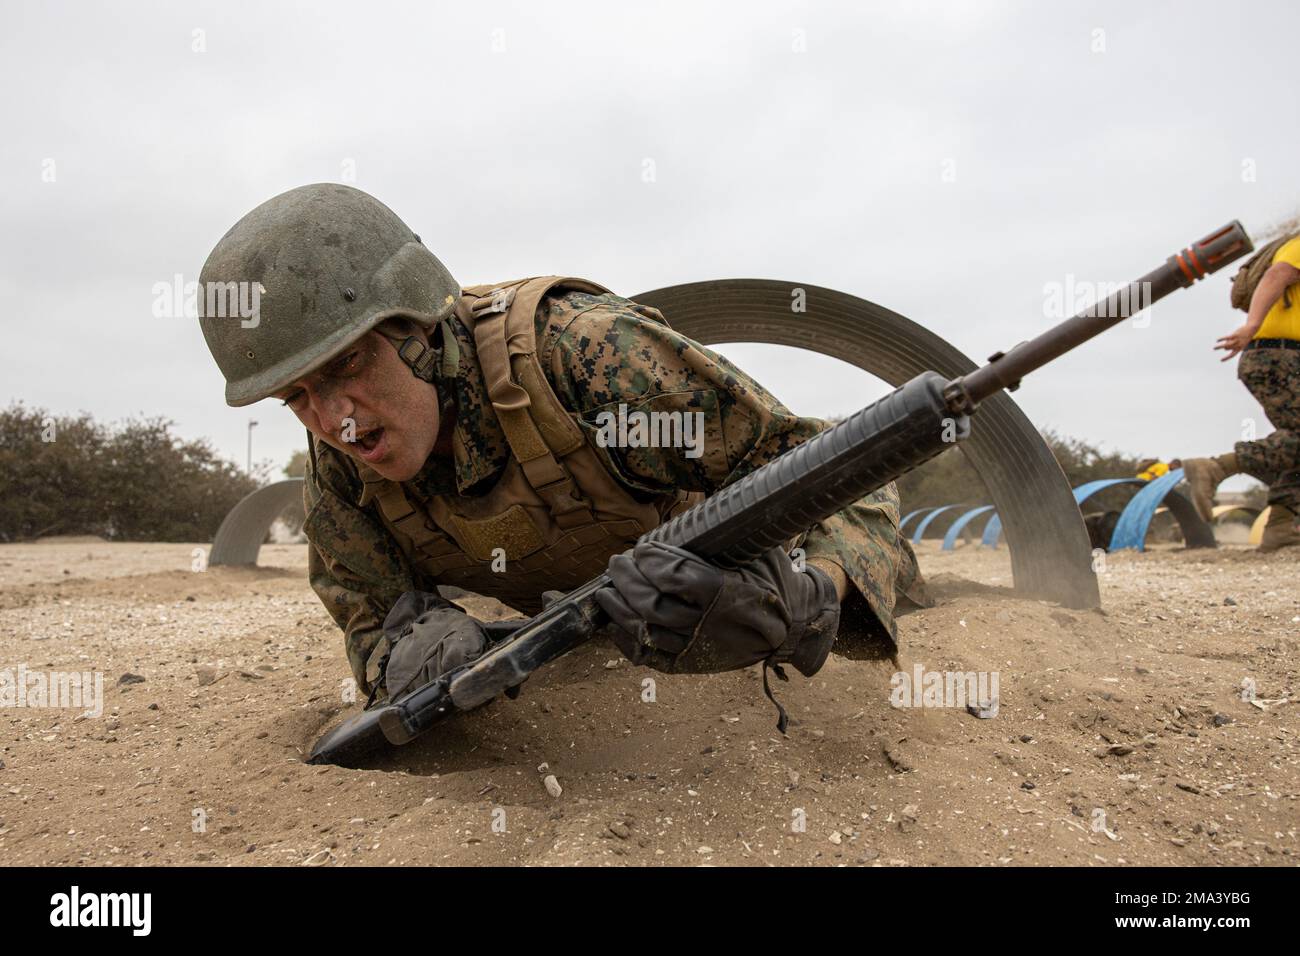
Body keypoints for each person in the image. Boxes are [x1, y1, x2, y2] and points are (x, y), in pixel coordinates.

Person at [197, 184, 929, 715]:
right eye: (294, 397)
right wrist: (409, 656)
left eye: (346, 367)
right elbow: (371, 620)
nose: (332, 420)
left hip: (736, 589)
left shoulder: (585, 359)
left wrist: (810, 594)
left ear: (416, 326)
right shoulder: (339, 476)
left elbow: (838, 469)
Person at [1182, 234, 1300, 552]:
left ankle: (1280, 527)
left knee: (1294, 440)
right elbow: (1278, 274)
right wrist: (1251, 325)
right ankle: (1216, 467)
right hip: (1279, 355)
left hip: (1279, 355)